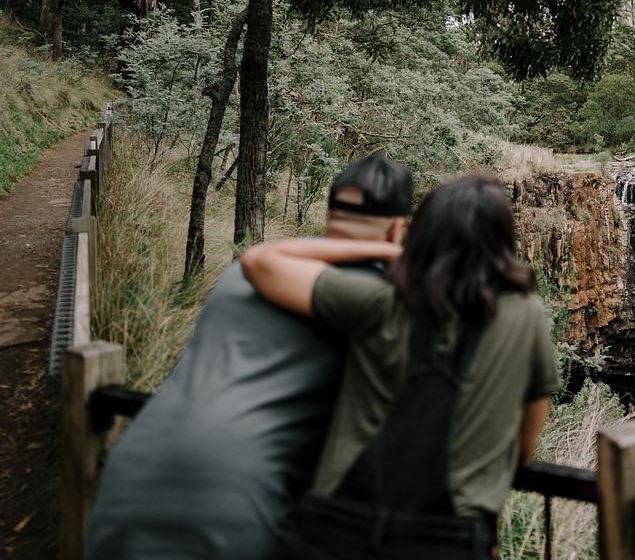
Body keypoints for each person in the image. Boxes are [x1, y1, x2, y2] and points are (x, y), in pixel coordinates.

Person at [85, 155, 415, 560]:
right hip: (236, 497)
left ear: (329, 215)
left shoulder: (243, 272)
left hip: (129, 476)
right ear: (398, 228)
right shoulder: (374, 300)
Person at [241, 173, 559, 560]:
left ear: (421, 233)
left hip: (336, 524)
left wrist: (388, 249)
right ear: (501, 240)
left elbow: (260, 260)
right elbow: (524, 445)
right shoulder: (526, 313)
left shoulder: (383, 301)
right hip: (448, 538)